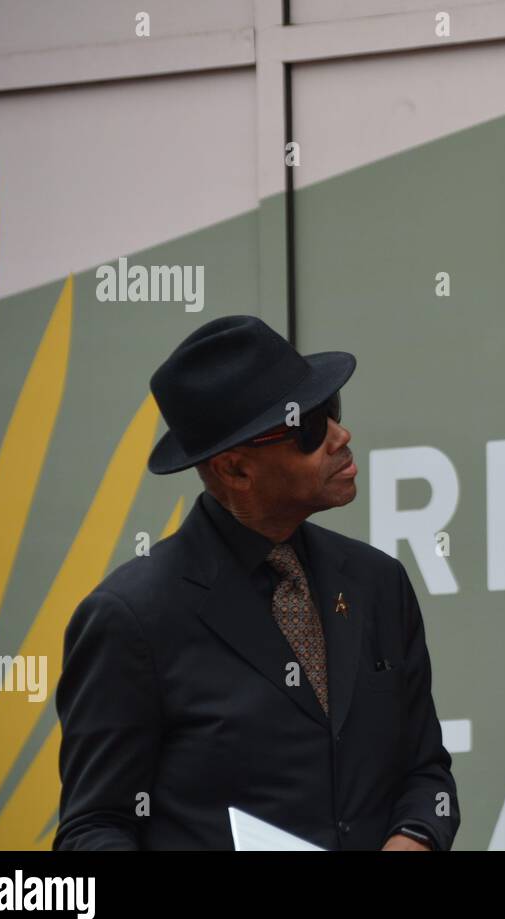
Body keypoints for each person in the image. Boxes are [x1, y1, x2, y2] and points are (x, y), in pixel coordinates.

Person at [55, 315, 459, 850]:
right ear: (235, 470)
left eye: (332, 410)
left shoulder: (378, 583)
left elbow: (426, 774)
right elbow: (94, 829)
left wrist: (413, 839)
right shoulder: (132, 618)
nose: (340, 436)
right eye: (311, 427)